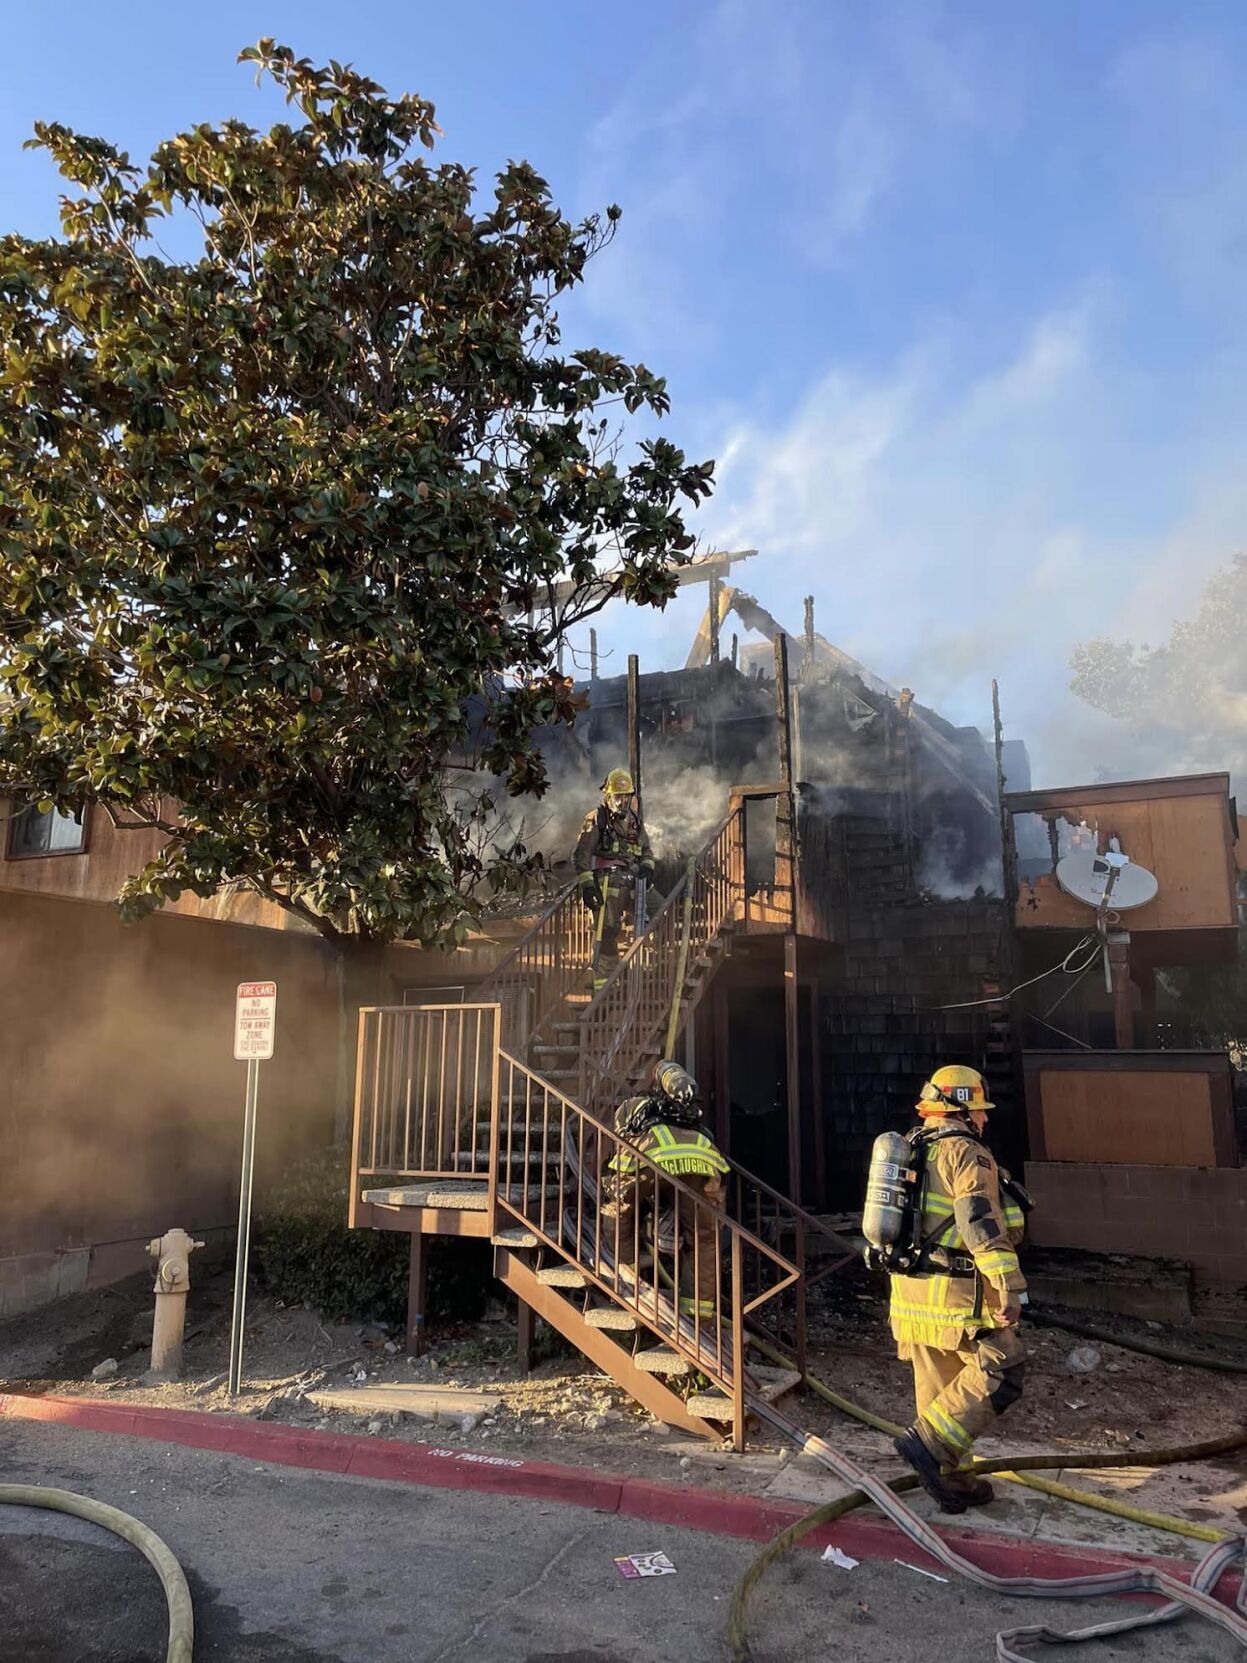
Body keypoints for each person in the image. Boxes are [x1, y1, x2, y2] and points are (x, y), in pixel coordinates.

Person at [888, 1064, 1029, 1514]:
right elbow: (982, 1225)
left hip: (911, 1295)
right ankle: (927, 1447)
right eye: (980, 1111)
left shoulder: (911, 1149)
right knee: (1003, 1369)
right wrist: (1008, 1286)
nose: (985, 1119)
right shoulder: (966, 1153)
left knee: (942, 1387)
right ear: (962, 1109)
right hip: (955, 1297)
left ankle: (955, 1483)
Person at [601, 1060, 729, 1318]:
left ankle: (626, 1288)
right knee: (704, 1236)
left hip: (653, 1162)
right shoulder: (688, 1115)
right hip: (703, 1165)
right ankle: (697, 1313)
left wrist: (617, 1187)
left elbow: (622, 1139)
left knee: (619, 1216)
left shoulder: (633, 1107)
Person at [573, 767, 655, 992]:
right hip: (607, 883)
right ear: (607, 797)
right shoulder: (596, 818)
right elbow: (581, 855)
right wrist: (588, 886)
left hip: (633, 881)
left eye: (625, 796)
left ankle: (638, 965)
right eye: (617, 797)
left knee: (660, 910)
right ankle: (605, 985)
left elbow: (646, 850)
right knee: (607, 930)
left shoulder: (634, 820)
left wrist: (648, 869)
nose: (621, 802)